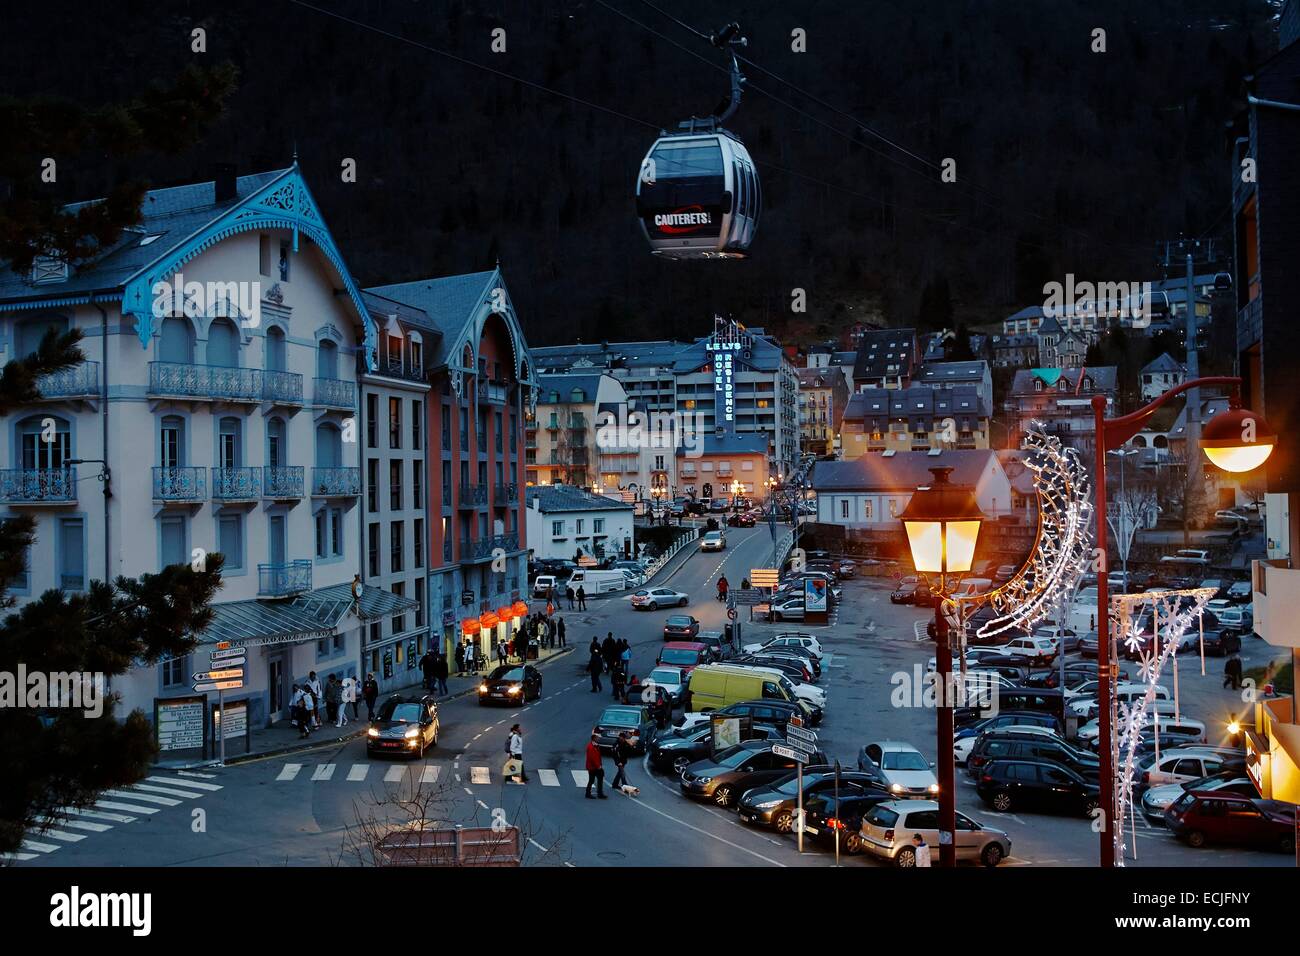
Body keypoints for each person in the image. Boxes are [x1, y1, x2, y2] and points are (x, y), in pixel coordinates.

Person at [585, 733, 607, 798]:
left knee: (598, 779)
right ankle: (590, 793)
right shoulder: (591, 747)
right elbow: (592, 758)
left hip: (595, 766)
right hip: (593, 767)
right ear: (594, 738)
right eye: (597, 737)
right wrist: (598, 766)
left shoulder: (596, 745)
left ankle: (598, 793)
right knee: (592, 780)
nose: (598, 738)